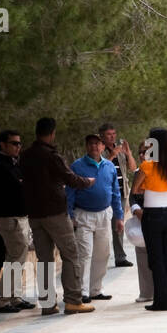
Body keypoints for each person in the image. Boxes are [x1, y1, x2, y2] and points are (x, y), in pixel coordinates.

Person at [20, 118, 96, 315]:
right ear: (52, 133)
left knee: (44, 259)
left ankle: (48, 304)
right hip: (55, 212)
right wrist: (87, 182)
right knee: (71, 255)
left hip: (35, 215)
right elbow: (69, 178)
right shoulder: (51, 156)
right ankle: (73, 301)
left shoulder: (26, 155)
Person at [0, 130, 34, 312]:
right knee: (9, 259)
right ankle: (0, 300)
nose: (18, 147)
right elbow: (17, 188)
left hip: (18, 217)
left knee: (18, 258)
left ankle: (14, 296)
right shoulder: (1, 167)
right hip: (9, 218)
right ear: (2, 145)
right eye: (14, 143)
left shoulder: (14, 164)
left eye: (19, 143)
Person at [66, 134, 124, 303]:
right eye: (90, 143)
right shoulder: (77, 166)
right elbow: (69, 192)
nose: (94, 147)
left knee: (103, 253)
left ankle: (95, 289)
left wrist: (119, 216)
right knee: (85, 253)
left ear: (102, 146)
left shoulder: (109, 166)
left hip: (105, 214)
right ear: (86, 146)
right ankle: (82, 291)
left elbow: (115, 193)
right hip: (83, 214)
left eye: (97, 144)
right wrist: (70, 215)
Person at [130, 128, 167, 311]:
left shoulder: (147, 166)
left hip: (153, 214)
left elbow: (136, 189)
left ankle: (161, 300)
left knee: (156, 258)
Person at [98, 123, 136, 268]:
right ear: (102, 136)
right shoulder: (99, 150)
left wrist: (129, 154)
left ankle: (120, 257)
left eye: (114, 134)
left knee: (118, 225)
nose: (113, 137)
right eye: (109, 134)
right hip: (104, 194)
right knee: (101, 227)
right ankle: (100, 258)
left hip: (121, 193)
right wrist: (113, 155)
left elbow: (132, 168)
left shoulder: (121, 150)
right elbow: (99, 169)